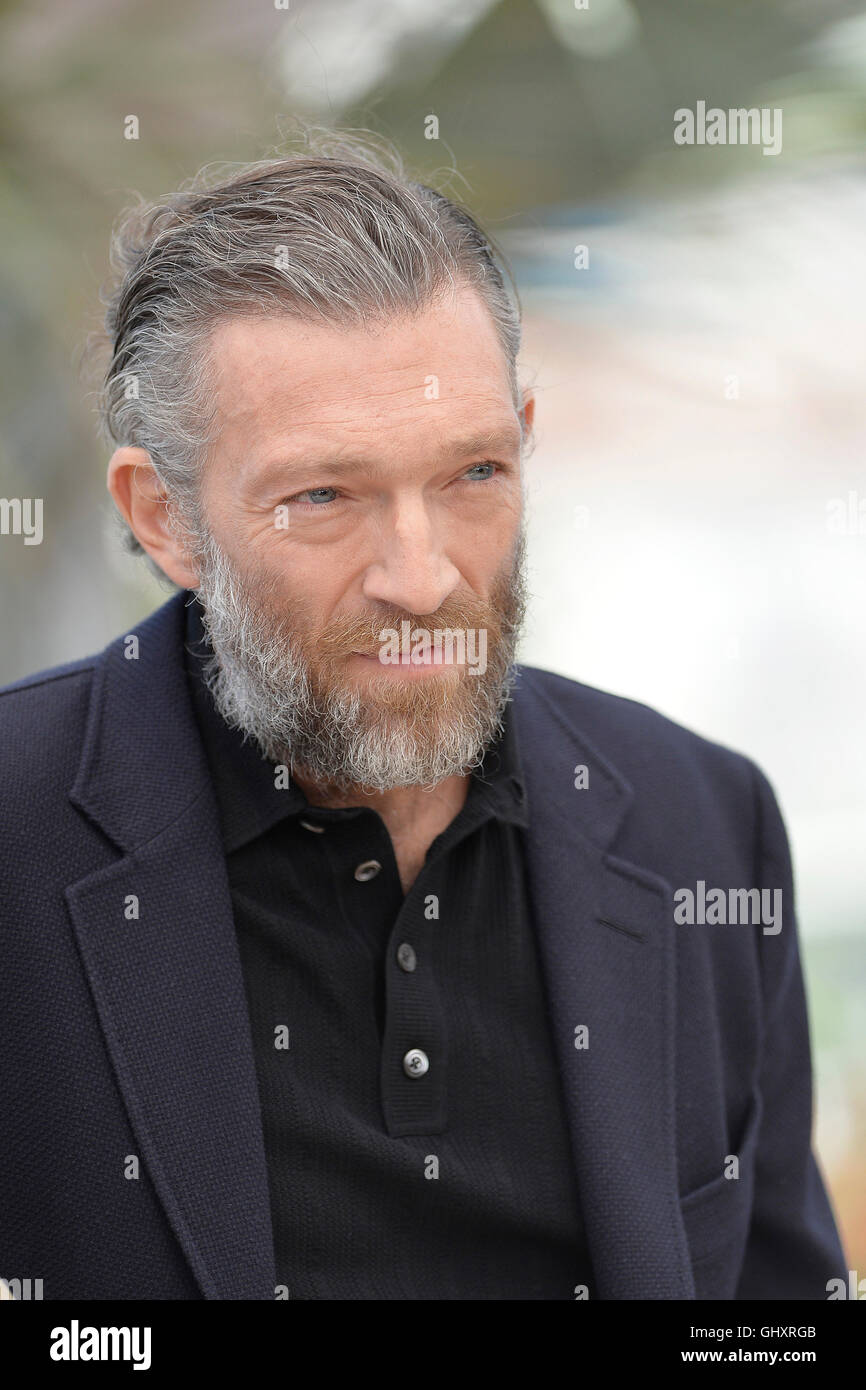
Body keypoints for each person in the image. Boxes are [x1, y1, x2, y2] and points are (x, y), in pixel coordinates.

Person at [0, 130, 847, 1300]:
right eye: (324, 495)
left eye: (472, 476)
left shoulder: (699, 821)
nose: (423, 574)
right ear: (164, 520)